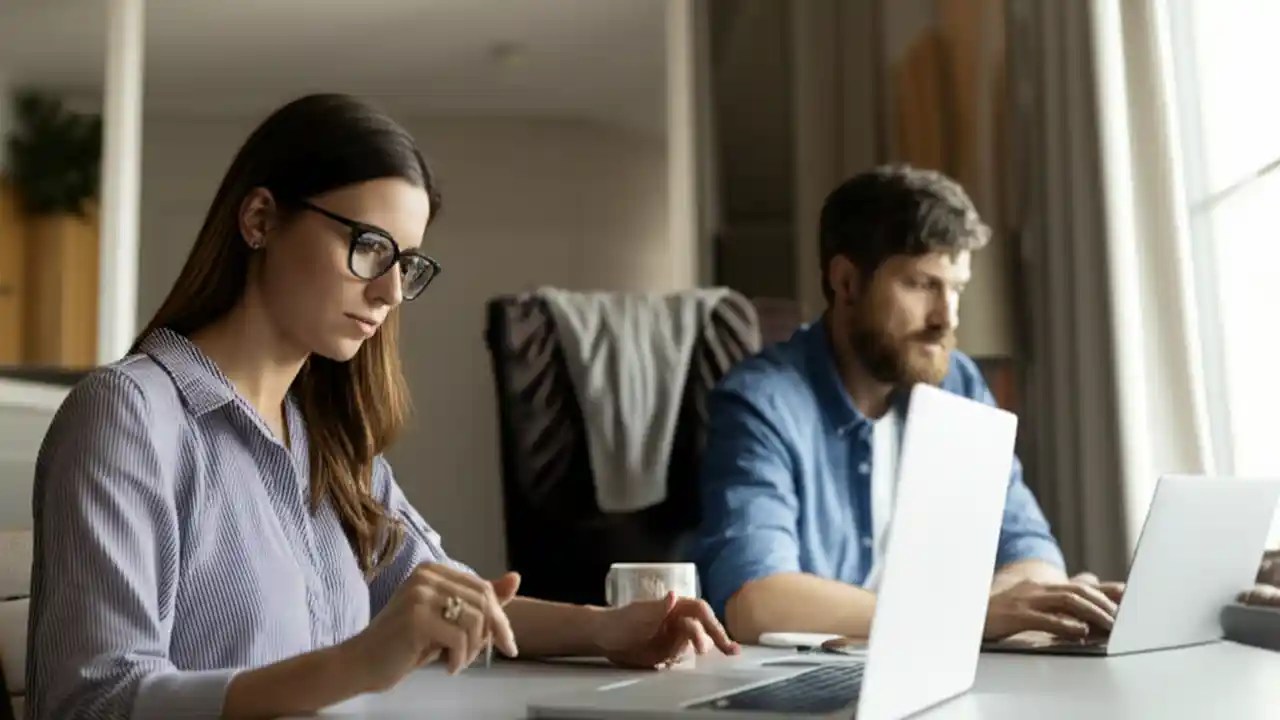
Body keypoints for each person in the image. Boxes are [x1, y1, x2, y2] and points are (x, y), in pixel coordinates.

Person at [25, 94, 738, 720]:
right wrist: (359, 663)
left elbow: (453, 601)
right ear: (260, 219)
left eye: (408, 263)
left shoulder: (328, 442)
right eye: (369, 247)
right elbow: (94, 702)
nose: (392, 293)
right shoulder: (129, 416)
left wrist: (609, 630)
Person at [693, 165, 1123, 645]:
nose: (946, 318)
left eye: (956, 287)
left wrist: (1008, 608)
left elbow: (1032, 552)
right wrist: (971, 615)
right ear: (847, 282)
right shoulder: (763, 402)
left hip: (935, 669)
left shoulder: (957, 382)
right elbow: (757, 602)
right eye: (922, 284)